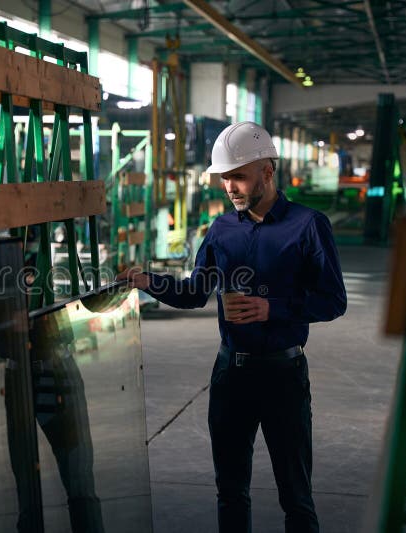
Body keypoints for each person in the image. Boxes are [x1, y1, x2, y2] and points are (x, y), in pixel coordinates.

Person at [117, 121, 346, 533]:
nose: (229, 186)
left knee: (296, 496)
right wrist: (149, 281)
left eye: (238, 176)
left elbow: (334, 301)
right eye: (225, 177)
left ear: (267, 171)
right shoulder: (222, 230)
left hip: (284, 377)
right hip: (231, 376)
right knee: (230, 492)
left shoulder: (308, 225)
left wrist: (270, 308)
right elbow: (193, 292)